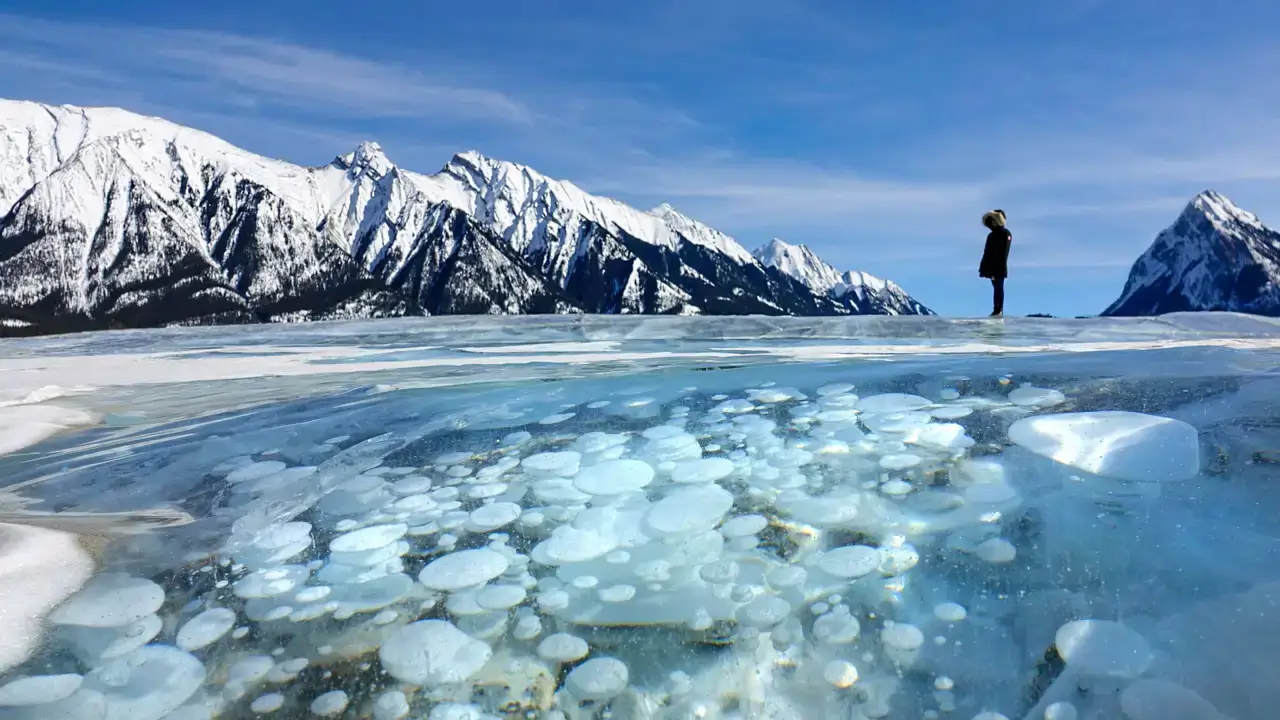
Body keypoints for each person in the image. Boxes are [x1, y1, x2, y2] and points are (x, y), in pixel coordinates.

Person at [978, 209, 1012, 317]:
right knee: (996, 286)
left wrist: (1000, 266)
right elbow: (986, 252)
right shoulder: (991, 236)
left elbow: (1004, 252)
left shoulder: (1005, 233)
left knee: (998, 286)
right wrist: (983, 268)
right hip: (991, 266)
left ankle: (998, 309)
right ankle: (996, 309)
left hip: (999, 266)